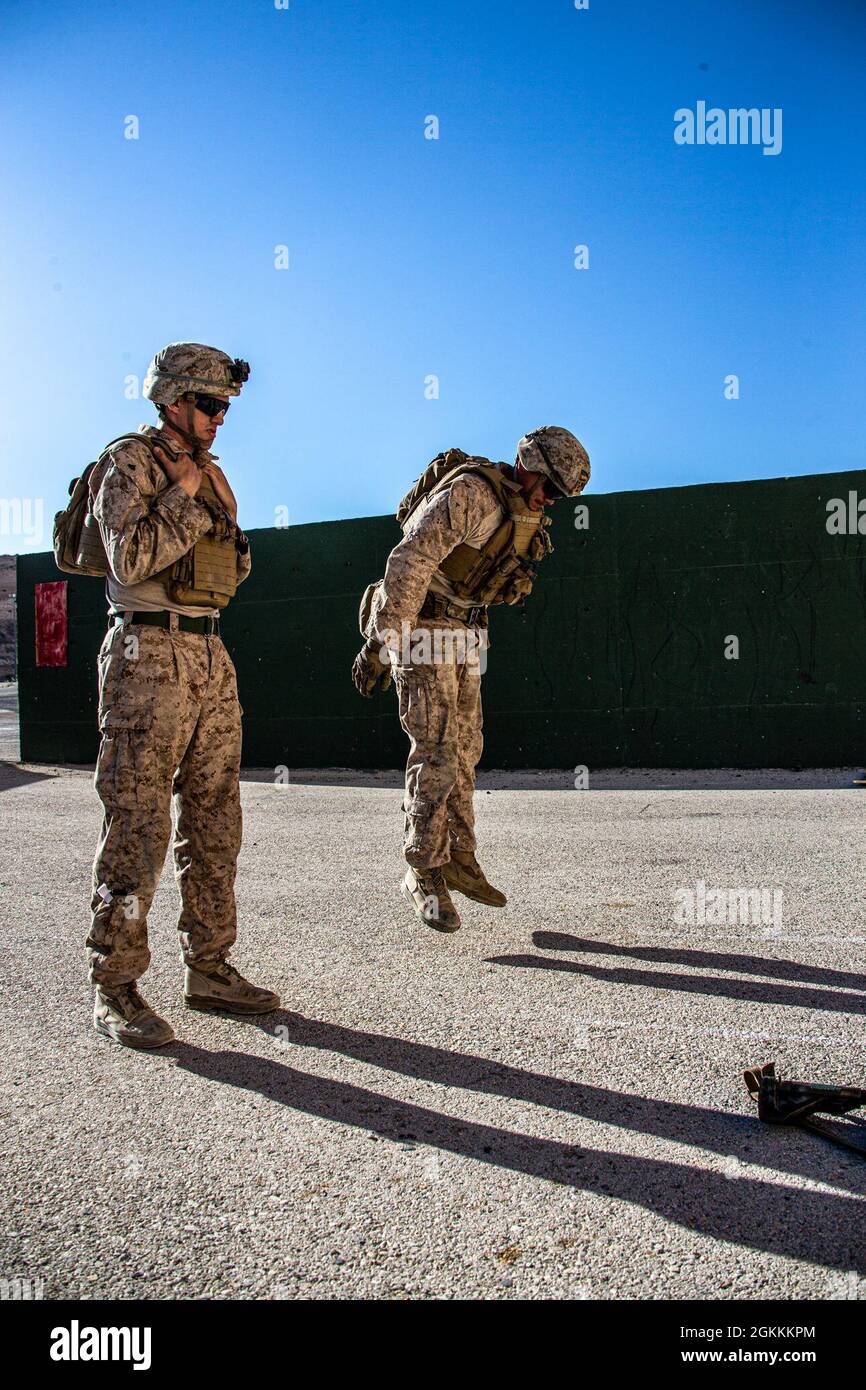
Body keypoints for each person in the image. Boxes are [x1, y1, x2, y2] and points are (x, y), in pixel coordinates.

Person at [87, 341, 279, 1049]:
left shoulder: (213, 476)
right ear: (172, 399)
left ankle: (211, 967)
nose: (220, 417)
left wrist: (202, 495)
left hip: (208, 653)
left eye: (225, 406)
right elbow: (131, 557)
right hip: (145, 654)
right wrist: (186, 497)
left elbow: (238, 562)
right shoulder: (129, 463)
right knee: (138, 825)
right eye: (210, 404)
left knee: (216, 820)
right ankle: (116, 985)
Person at [352, 426, 590, 932]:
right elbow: (409, 560)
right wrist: (380, 644)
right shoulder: (470, 493)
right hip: (423, 629)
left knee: (465, 750)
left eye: (560, 496)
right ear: (530, 463)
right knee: (435, 751)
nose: (551, 500)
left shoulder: (520, 512)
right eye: (549, 487)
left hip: (465, 634)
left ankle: (459, 855)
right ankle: (423, 870)